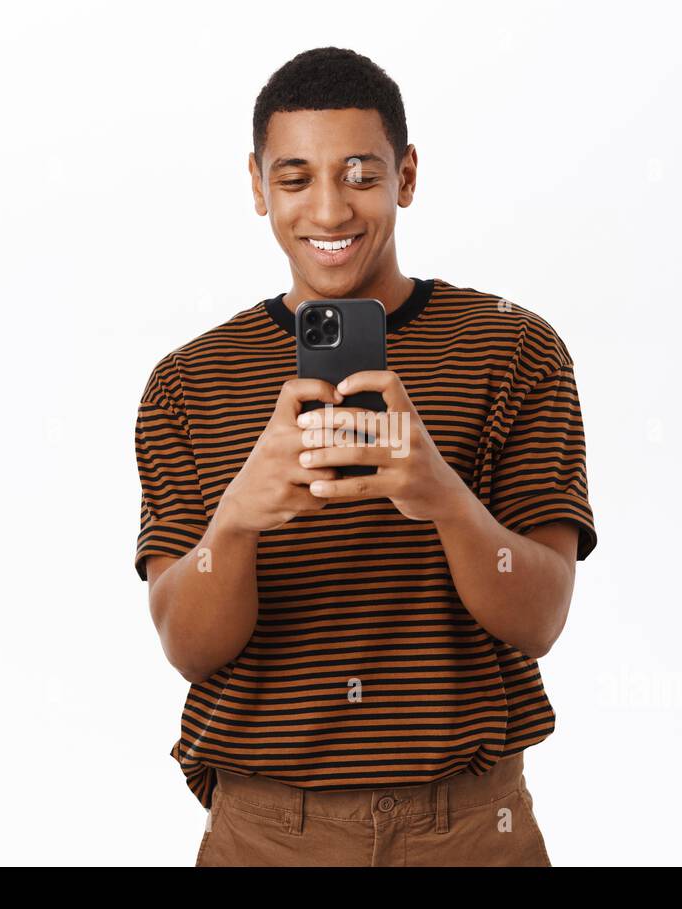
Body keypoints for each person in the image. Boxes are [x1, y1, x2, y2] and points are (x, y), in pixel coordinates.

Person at [133, 46, 597, 866]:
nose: (329, 209)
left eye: (358, 172)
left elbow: (543, 618)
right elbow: (188, 648)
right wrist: (236, 523)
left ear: (405, 176)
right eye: (294, 177)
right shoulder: (189, 382)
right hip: (265, 834)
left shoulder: (513, 348)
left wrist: (442, 496)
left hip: (469, 830)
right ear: (256, 185)